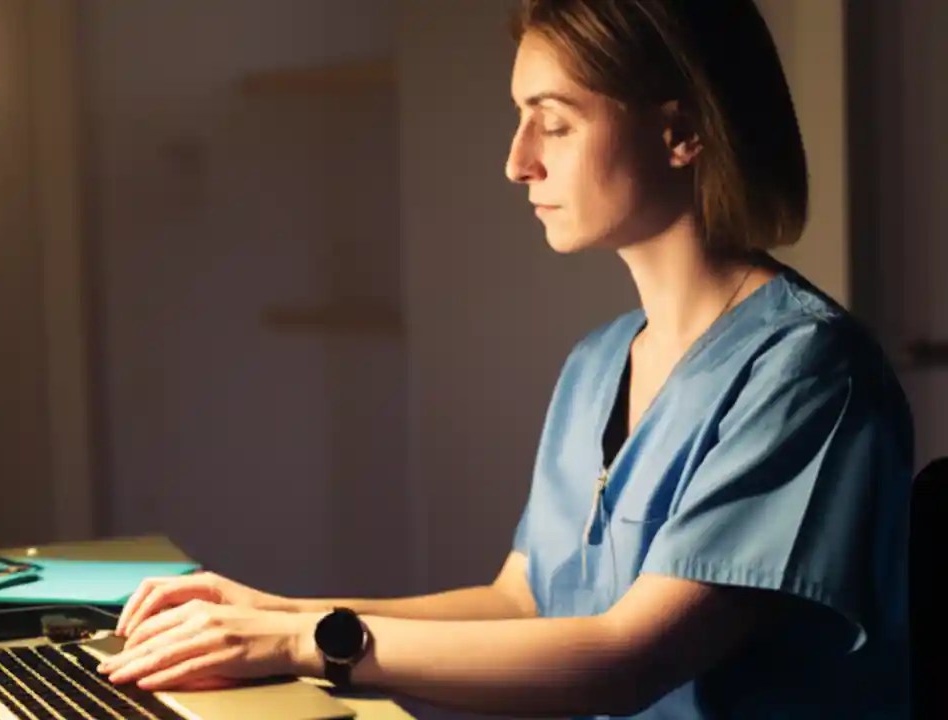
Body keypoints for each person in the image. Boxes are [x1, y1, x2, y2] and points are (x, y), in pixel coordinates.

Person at [95, 0, 915, 717]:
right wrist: (276, 611)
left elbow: (627, 662)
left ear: (682, 131)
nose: (518, 160)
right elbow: (522, 602)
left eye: (554, 122)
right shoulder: (598, 364)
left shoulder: (806, 373)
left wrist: (305, 641)